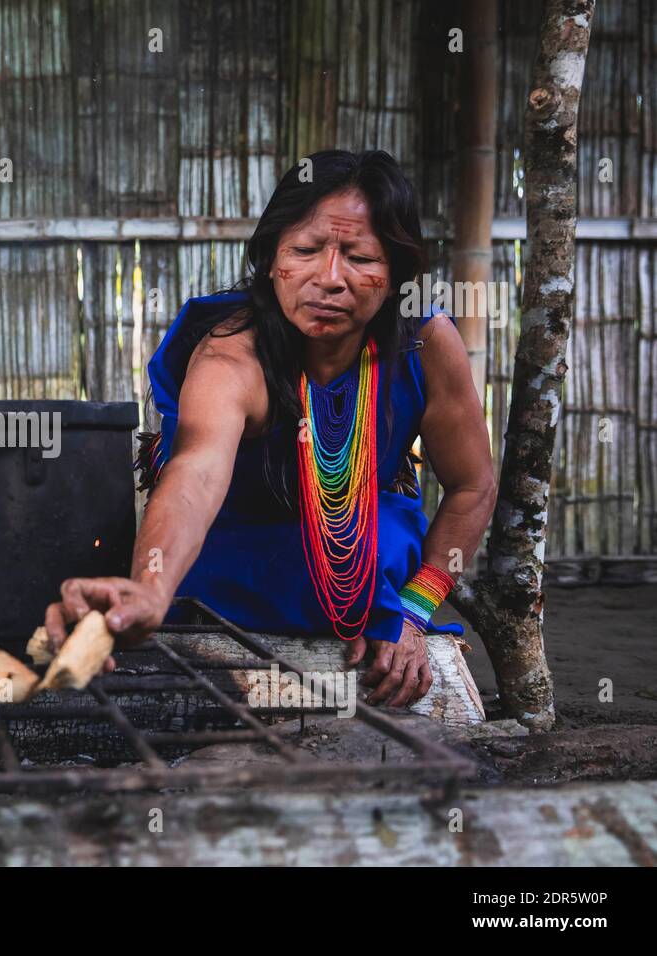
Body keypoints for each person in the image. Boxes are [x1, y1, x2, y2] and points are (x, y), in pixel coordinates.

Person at [44, 150, 497, 708]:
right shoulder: (232, 355)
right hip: (234, 557)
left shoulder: (426, 345)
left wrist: (413, 610)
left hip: (369, 551)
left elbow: (474, 485)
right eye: (305, 251)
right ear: (270, 259)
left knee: (373, 547)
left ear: (396, 274)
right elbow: (196, 472)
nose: (329, 279)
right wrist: (150, 591)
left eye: (359, 257)